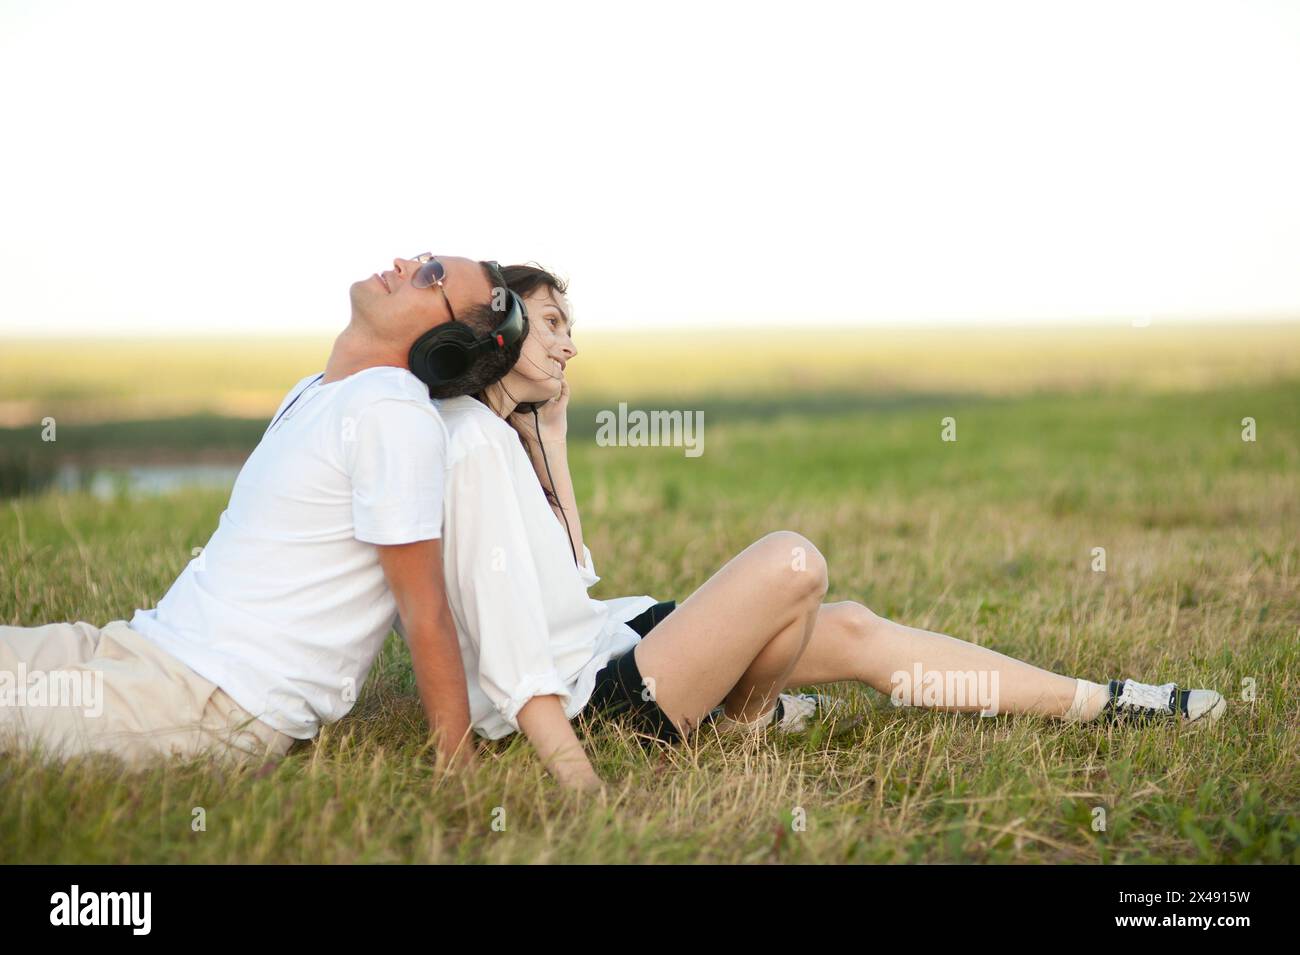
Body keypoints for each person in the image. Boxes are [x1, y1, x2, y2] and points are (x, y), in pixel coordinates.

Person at [430, 263, 1227, 792]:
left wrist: (557, 439)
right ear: (497, 332)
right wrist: (579, 784)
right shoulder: (471, 442)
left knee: (847, 624)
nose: (571, 340)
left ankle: (1107, 700)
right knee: (792, 564)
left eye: (572, 324)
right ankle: (740, 720)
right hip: (597, 698)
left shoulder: (510, 436)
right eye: (550, 321)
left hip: (617, 638)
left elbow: (571, 582)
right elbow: (506, 638)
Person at [1, 253, 513, 771]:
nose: (406, 263)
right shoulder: (320, 389)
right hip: (140, 647)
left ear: (442, 348)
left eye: (432, 277)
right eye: (424, 260)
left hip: (212, 703)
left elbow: (424, 608)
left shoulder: (392, 413)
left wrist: (457, 768)